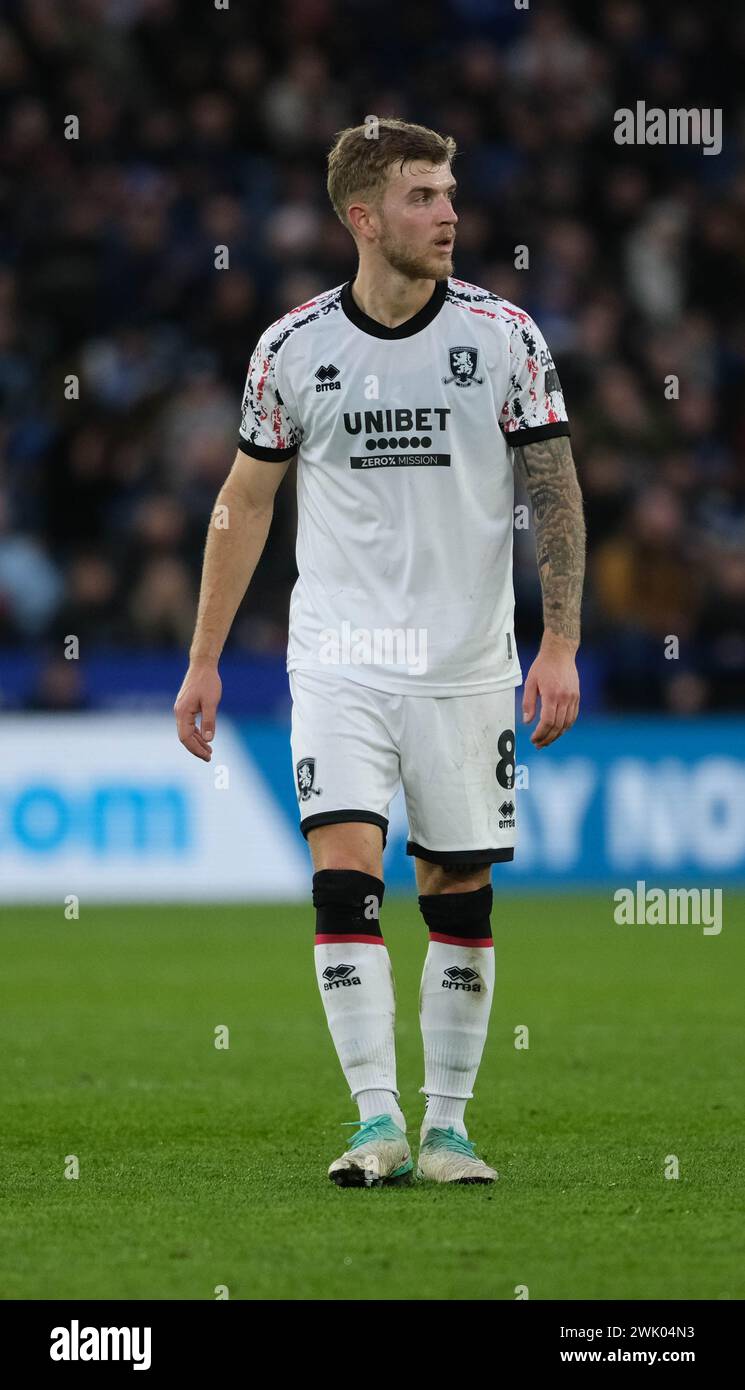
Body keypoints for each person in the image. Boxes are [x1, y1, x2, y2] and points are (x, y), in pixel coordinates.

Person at [175, 119, 586, 1186]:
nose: (449, 213)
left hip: (466, 664)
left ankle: (448, 1127)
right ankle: (376, 1120)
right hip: (340, 659)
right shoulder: (293, 347)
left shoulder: (506, 337)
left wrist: (561, 642)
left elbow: (554, 491)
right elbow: (246, 500)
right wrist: (205, 656)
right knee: (344, 874)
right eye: (421, 196)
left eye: (449, 192)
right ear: (362, 217)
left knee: (455, 891)